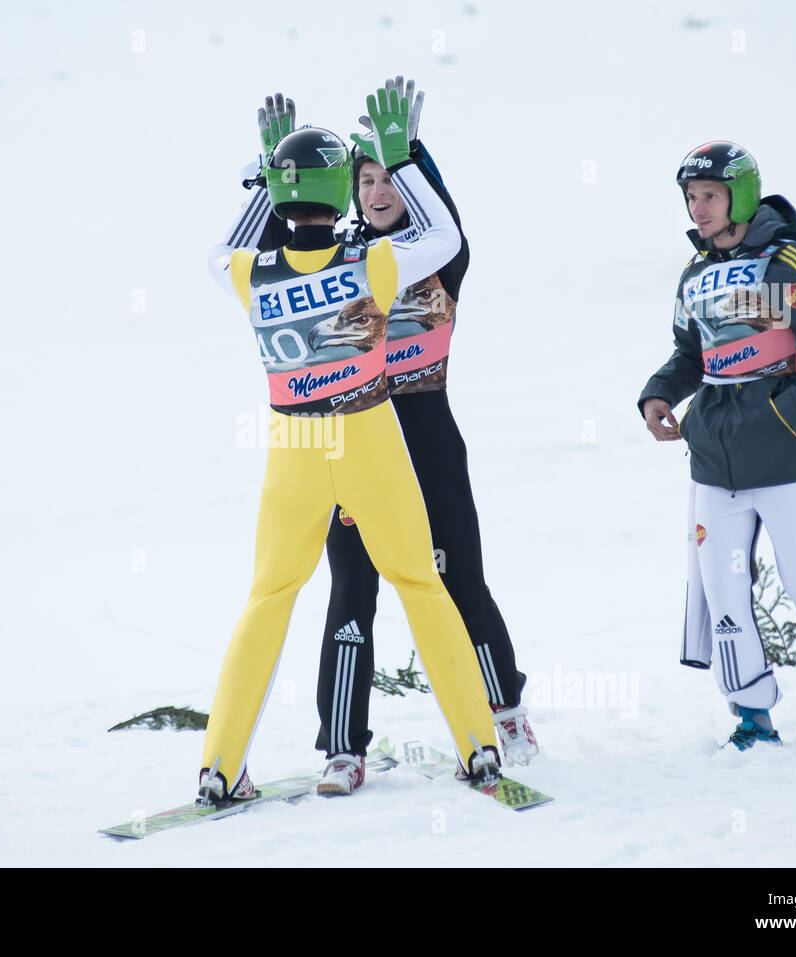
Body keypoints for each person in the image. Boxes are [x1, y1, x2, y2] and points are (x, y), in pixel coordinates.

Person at [197, 88, 501, 805]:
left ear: (281, 195)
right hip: (368, 435)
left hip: (293, 446)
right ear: (345, 193)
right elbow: (446, 239)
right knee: (422, 585)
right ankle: (479, 748)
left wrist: (262, 178)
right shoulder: (372, 262)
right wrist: (400, 157)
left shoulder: (251, 272)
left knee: (269, 596)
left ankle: (219, 765)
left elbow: (221, 251)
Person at [286, 77, 535, 796]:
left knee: (459, 583)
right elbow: (286, 262)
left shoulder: (438, 260)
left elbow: (446, 224)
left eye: (387, 178)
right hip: (354, 452)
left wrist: (410, 158)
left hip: (428, 446)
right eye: (363, 180)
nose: (376, 190)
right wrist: (285, 182)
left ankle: (503, 711)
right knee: (352, 590)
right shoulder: (346, 264)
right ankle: (342, 748)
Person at [638, 140, 796, 750]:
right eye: (692, 198)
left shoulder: (784, 265)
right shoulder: (694, 276)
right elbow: (692, 355)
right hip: (713, 462)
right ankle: (751, 716)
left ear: (739, 196)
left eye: (711, 196)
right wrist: (658, 395)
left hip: (786, 460)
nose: (699, 209)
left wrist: (787, 412)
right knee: (723, 594)